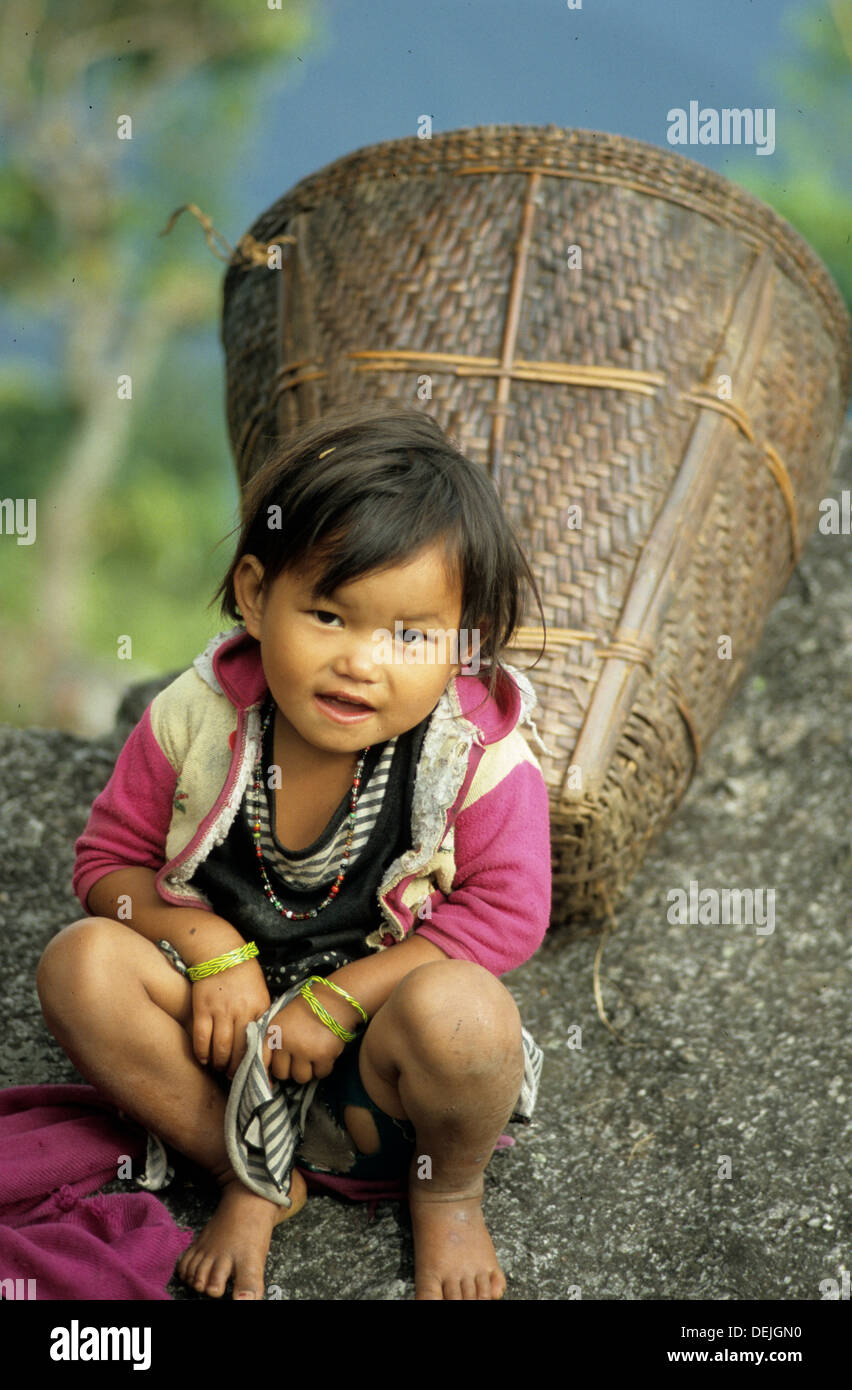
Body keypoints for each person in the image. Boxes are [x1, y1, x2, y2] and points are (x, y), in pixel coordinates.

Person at [36, 400, 553, 1301]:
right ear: (252, 594)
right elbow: (106, 869)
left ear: (463, 642)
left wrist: (345, 998)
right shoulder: (194, 720)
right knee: (80, 967)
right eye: (328, 613)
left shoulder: (472, 755)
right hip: (216, 1041)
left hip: (379, 1062)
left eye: (410, 634)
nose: (362, 661)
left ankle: (449, 1195)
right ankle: (253, 1172)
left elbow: (508, 912)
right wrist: (210, 950)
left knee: (471, 1018)